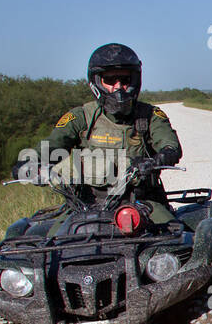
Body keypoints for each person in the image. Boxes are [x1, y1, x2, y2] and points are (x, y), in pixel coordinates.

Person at [15, 43, 183, 224]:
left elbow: (170, 146)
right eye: (110, 81)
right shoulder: (80, 116)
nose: (118, 88)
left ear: (135, 80)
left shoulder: (150, 115)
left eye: (125, 80)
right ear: (96, 82)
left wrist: (157, 159)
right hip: (84, 205)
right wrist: (29, 164)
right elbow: (52, 145)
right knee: (52, 243)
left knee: (174, 236)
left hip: (141, 202)